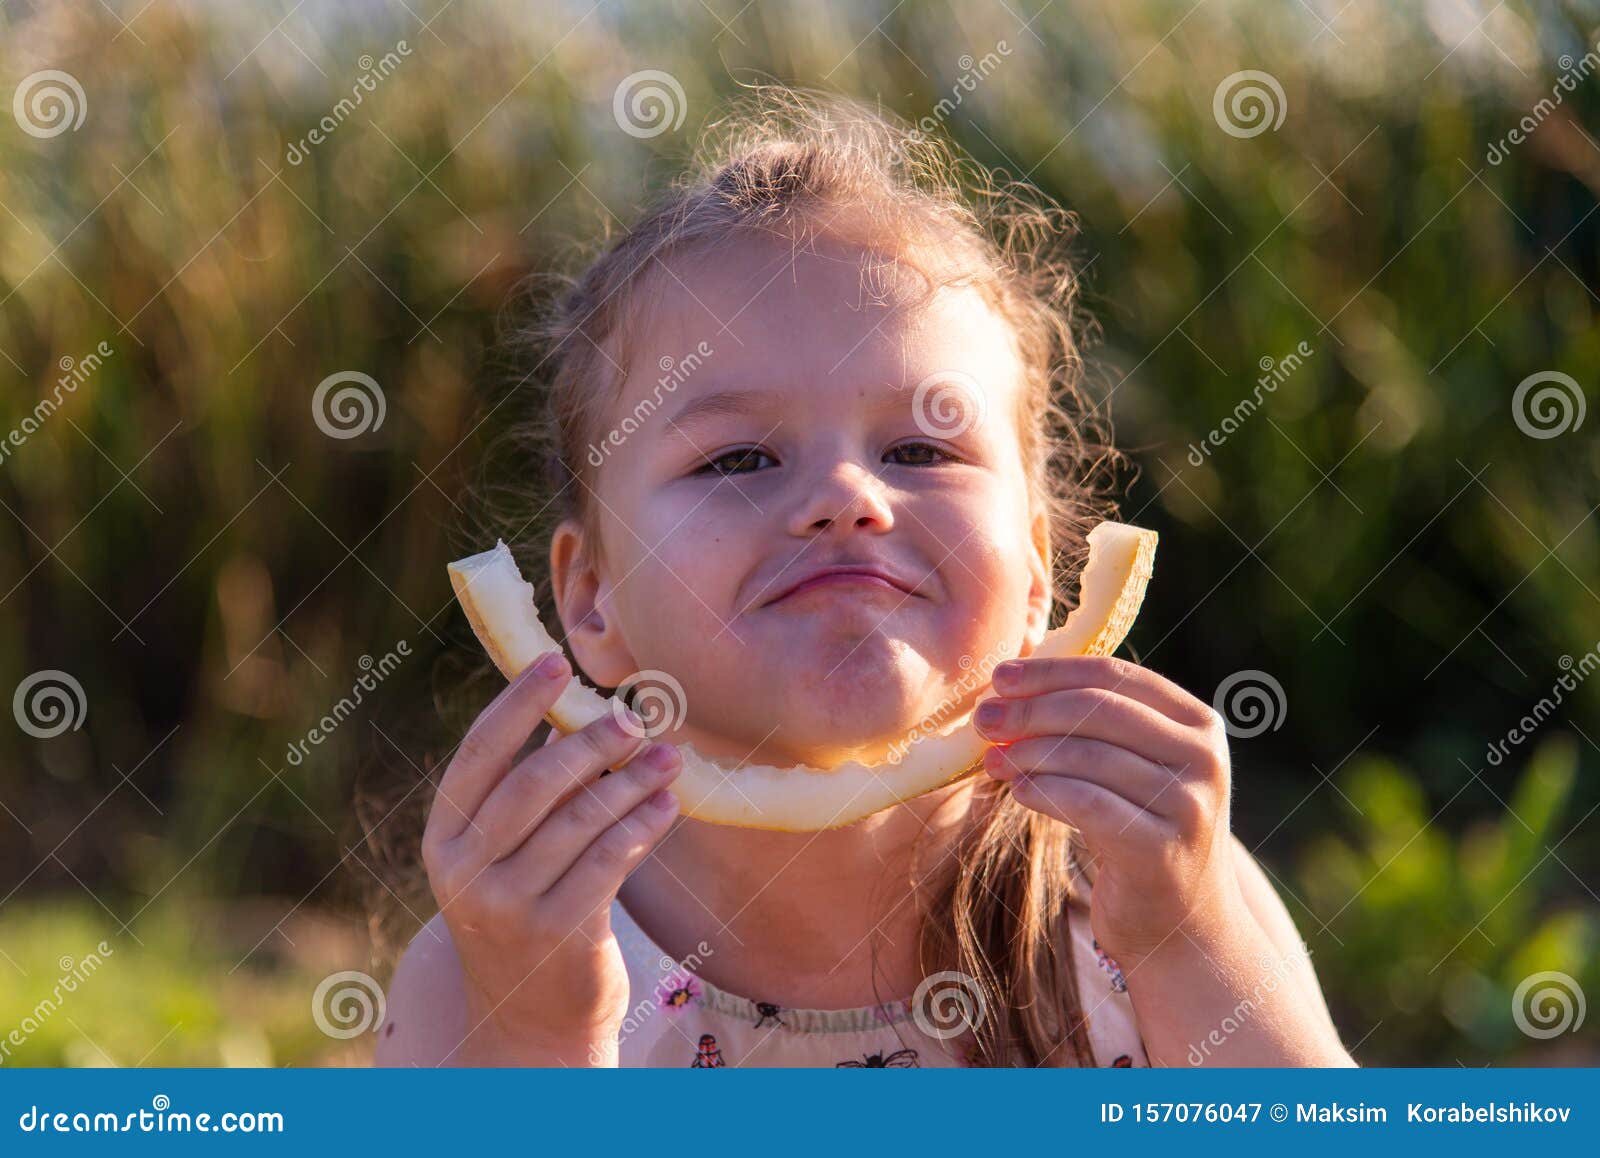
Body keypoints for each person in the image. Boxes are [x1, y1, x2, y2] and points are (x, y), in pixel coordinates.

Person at [375, 88, 1352, 1068]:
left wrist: (1184, 946)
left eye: (922, 450)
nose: (846, 497)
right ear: (590, 598)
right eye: (738, 459)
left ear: (1037, 575)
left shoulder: (1152, 893)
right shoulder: (503, 952)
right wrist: (539, 1027)